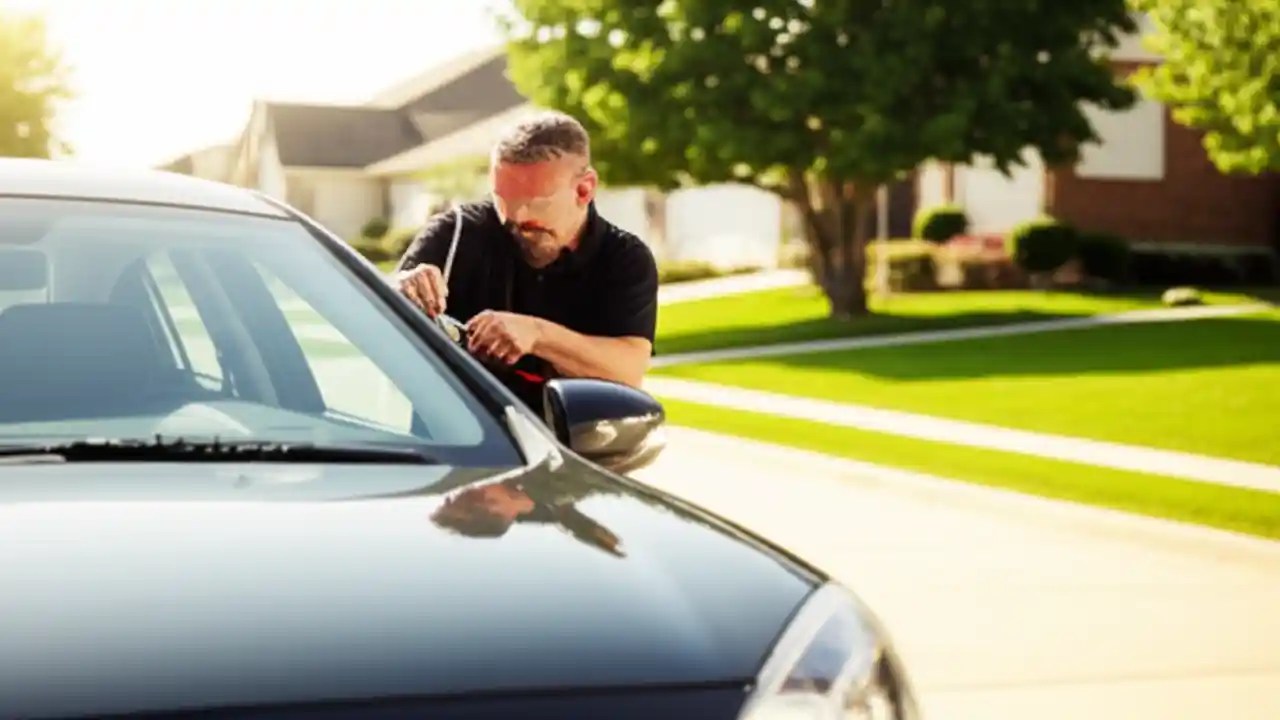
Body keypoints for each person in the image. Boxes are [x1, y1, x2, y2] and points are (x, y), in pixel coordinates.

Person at [393, 111, 658, 415]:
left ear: (584, 189)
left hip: (572, 452)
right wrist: (400, 289)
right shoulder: (455, 234)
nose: (515, 218)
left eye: (535, 202)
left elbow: (628, 372)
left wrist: (537, 334)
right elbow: (379, 322)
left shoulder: (624, 258)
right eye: (502, 199)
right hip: (456, 444)